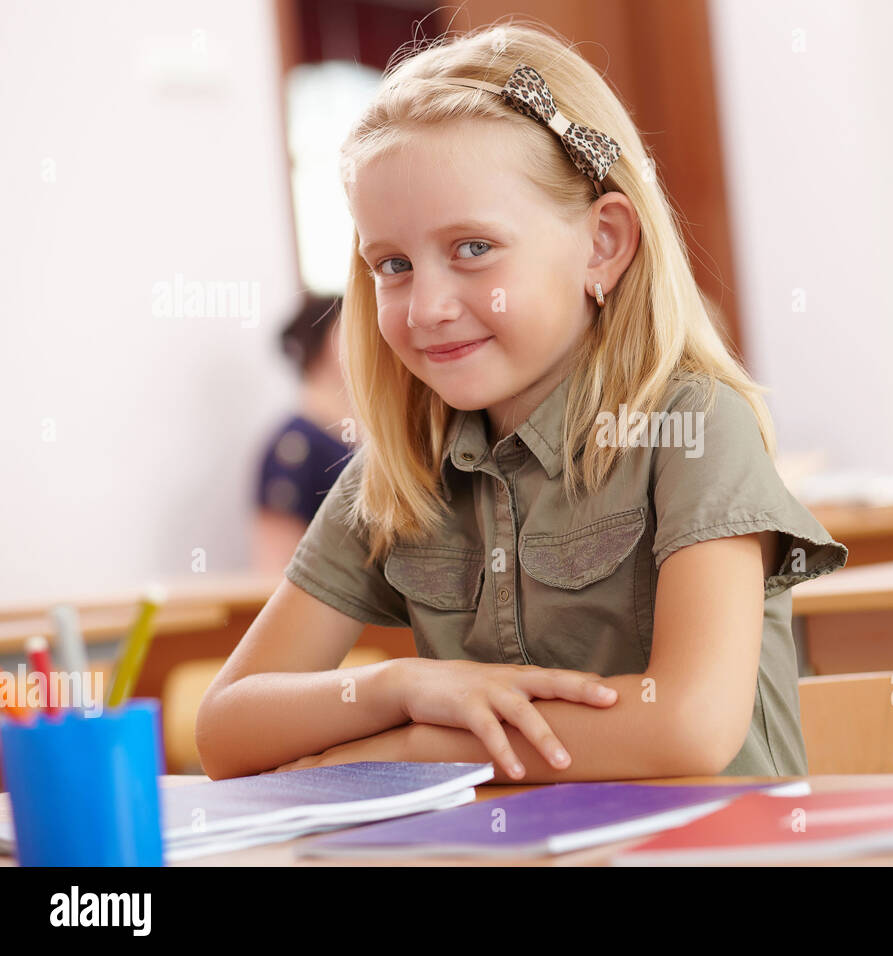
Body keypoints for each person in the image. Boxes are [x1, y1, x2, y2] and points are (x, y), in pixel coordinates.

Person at [197, 21, 848, 783]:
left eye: (473, 249)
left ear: (603, 244)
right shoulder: (401, 469)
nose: (427, 305)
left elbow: (687, 728)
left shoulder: (694, 427)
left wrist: (408, 750)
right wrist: (397, 686)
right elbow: (226, 729)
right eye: (394, 264)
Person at [251, 295, 355, 573]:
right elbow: (275, 564)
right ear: (324, 344)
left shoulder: (370, 440)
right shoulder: (293, 446)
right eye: (354, 329)